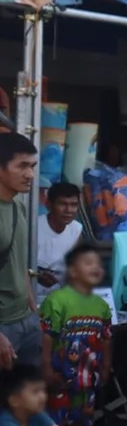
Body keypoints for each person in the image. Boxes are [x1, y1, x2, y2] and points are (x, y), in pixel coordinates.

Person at [39, 243, 111, 426]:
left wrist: (106, 366)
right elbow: (47, 337)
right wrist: (47, 369)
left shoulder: (101, 305)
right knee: (56, 424)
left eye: (98, 264)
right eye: (88, 263)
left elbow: (106, 339)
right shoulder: (57, 300)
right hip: (61, 376)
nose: (95, 268)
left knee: (82, 420)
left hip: (88, 376)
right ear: (72, 271)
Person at [0, 133, 40, 372]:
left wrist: (32, 309)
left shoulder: (19, 207)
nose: (30, 175)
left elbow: (20, 263)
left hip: (25, 321)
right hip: (2, 326)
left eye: (33, 166)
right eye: (22, 166)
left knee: (24, 404)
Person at [35, 182, 83, 298]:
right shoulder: (33, 227)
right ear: (48, 205)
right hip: (30, 297)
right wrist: (37, 275)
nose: (68, 210)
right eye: (62, 204)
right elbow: (18, 267)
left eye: (73, 205)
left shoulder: (76, 230)